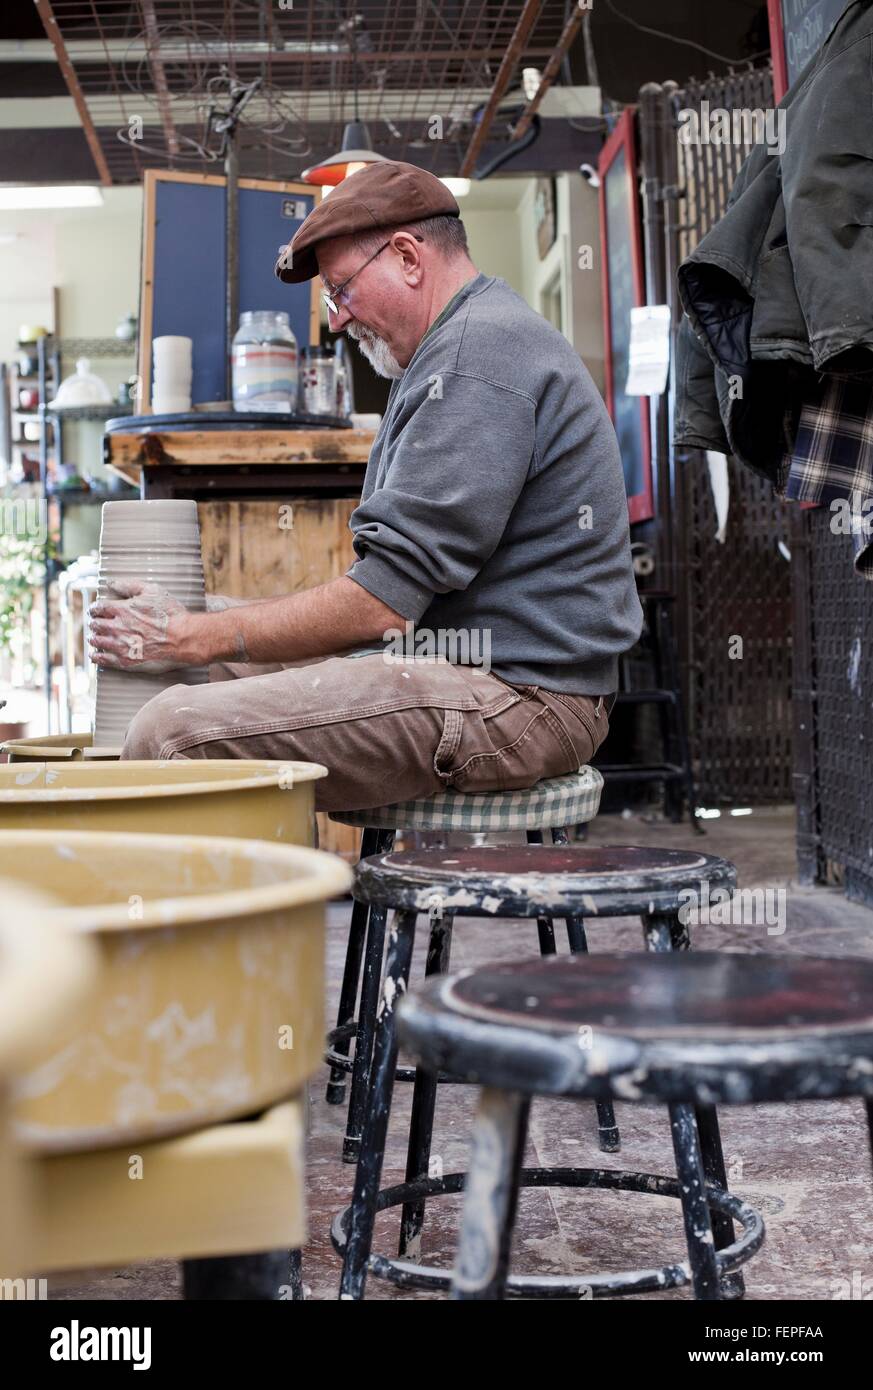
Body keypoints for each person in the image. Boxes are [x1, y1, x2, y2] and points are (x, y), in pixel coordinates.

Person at [90, 161, 642, 813]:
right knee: (185, 651)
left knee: (168, 731)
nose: (337, 320)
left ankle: (233, 913)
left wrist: (191, 634)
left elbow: (382, 605)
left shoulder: (477, 357)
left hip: (524, 698)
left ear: (407, 256)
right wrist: (188, 628)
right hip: (459, 664)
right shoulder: (451, 349)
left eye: (341, 291)